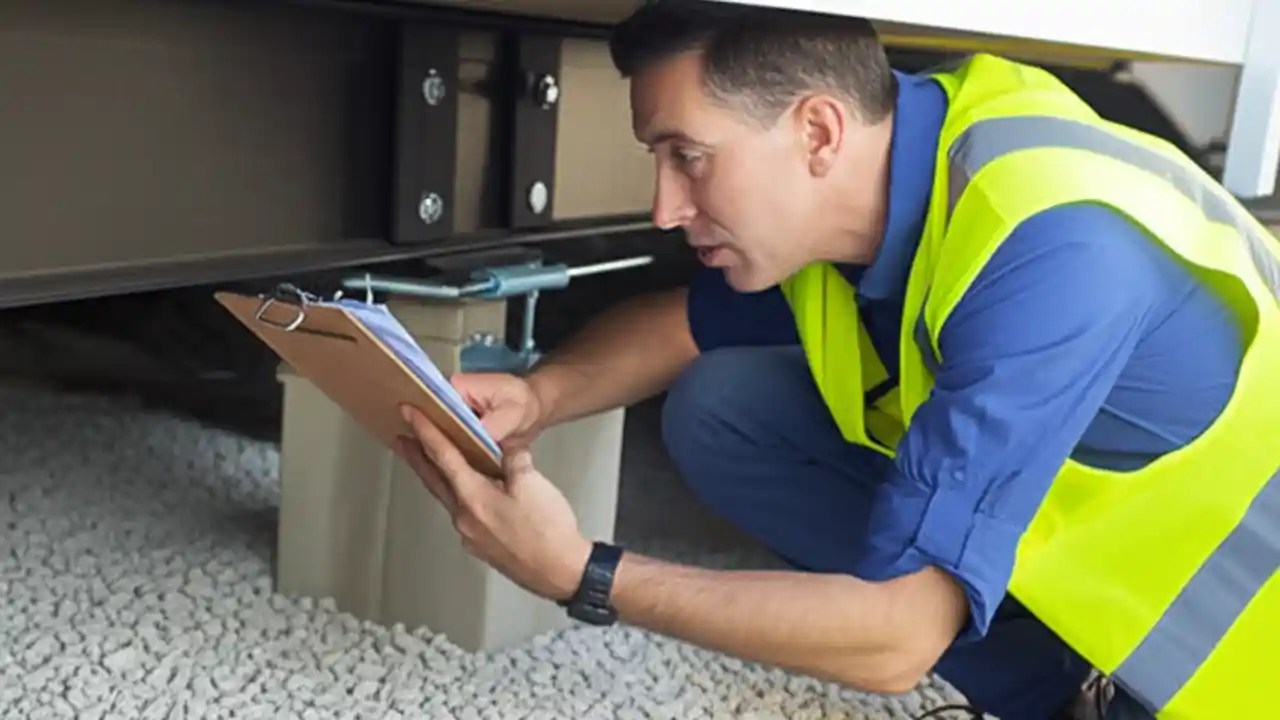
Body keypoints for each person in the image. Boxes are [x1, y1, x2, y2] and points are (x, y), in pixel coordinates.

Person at [393, 2, 1280, 719]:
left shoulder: (1051, 253)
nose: (664, 207)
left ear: (817, 131)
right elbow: (678, 329)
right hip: (1120, 602)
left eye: (688, 159)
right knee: (724, 404)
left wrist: (583, 574)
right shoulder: (903, 159)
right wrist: (538, 395)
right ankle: (1055, 699)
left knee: (904, 602)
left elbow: (898, 640)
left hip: (1239, 678)